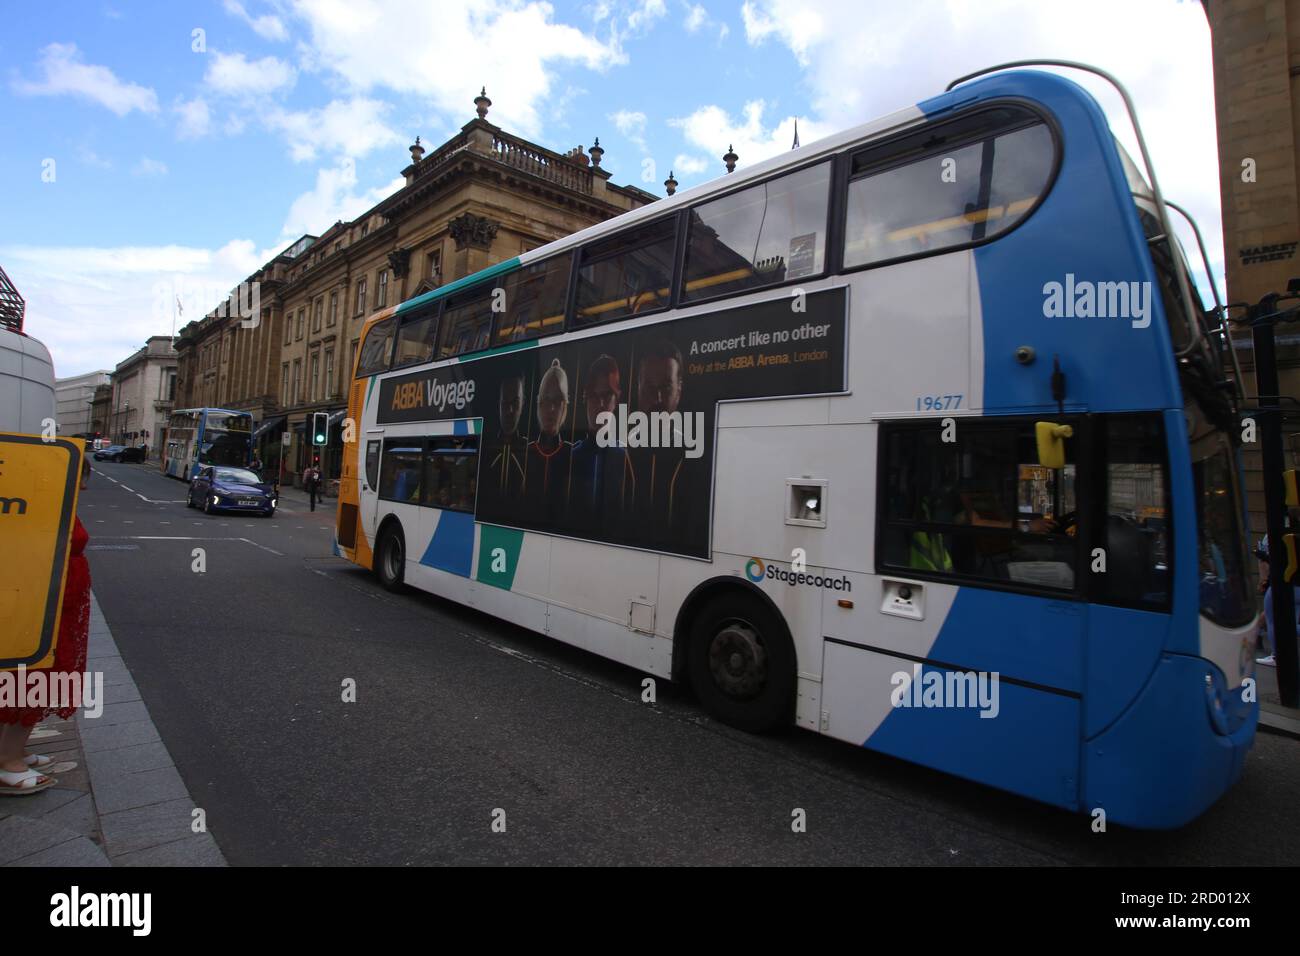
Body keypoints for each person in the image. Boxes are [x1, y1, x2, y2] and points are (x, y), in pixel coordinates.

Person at [0, 458, 92, 795]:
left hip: (58, 606)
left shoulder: (57, 502)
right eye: (81, 478)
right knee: (36, 676)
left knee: (32, 675)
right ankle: (8, 761)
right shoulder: (43, 504)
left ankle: (11, 751)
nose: (83, 487)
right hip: (44, 608)